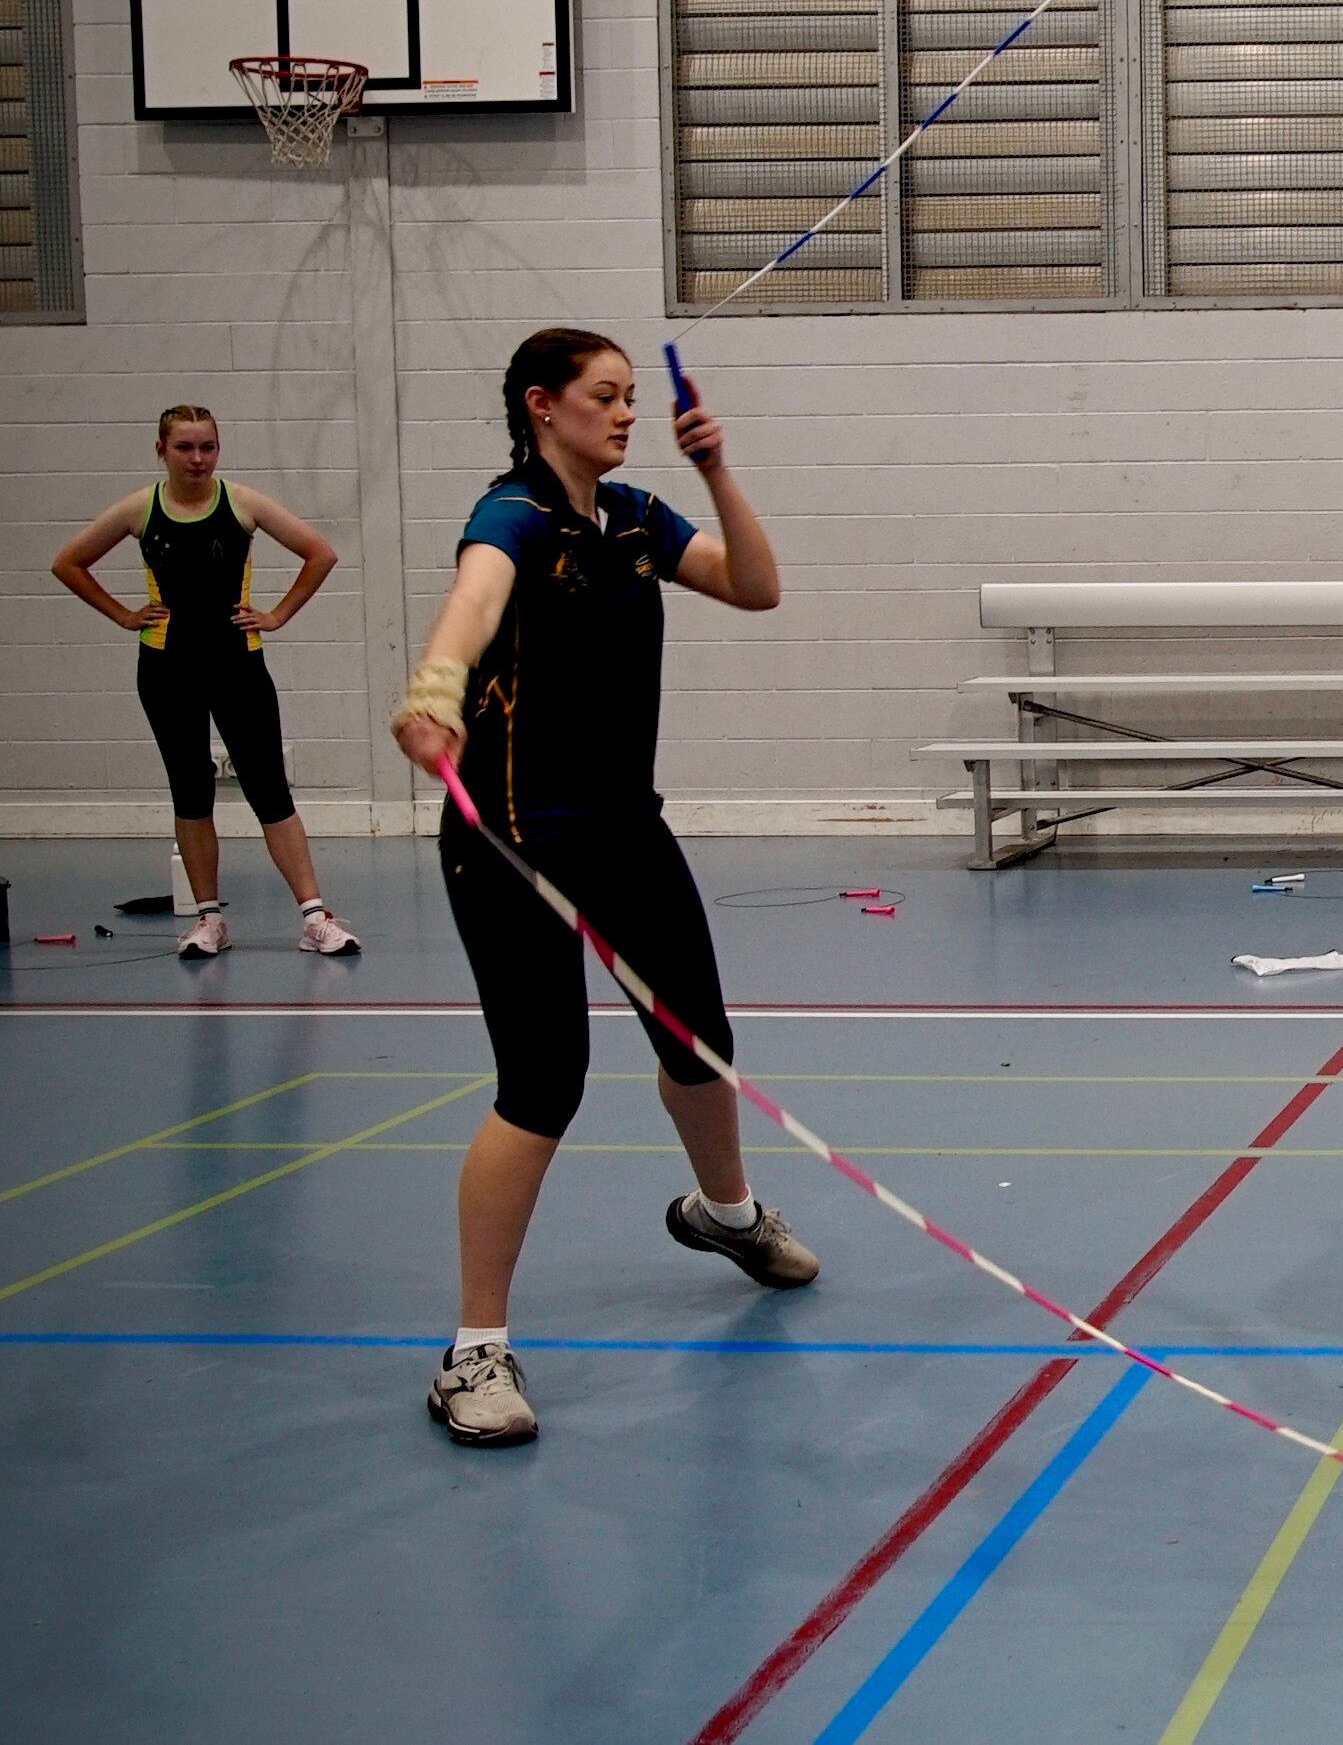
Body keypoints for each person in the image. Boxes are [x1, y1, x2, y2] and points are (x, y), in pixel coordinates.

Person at [387, 329, 814, 1447]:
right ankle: (474, 1349)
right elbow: (472, 602)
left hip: (626, 831)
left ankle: (725, 1214)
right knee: (542, 1085)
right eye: (605, 395)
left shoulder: (634, 520)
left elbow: (757, 587)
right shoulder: (512, 516)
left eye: (632, 396)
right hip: (513, 843)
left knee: (701, 1043)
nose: (626, 414)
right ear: (542, 405)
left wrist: (716, 468)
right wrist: (434, 687)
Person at [51, 406, 361, 956]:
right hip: (166, 668)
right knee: (190, 790)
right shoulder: (139, 509)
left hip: (237, 665)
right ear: (162, 451)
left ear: (218, 449)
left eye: (207, 447)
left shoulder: (242, 503)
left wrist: (278, 614)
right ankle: (209, 919)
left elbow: (321, 553)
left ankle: (315, 917)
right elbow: (68, 563)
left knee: (269, 788)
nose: (197, 459)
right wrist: (123, 615)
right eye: (185, 448)